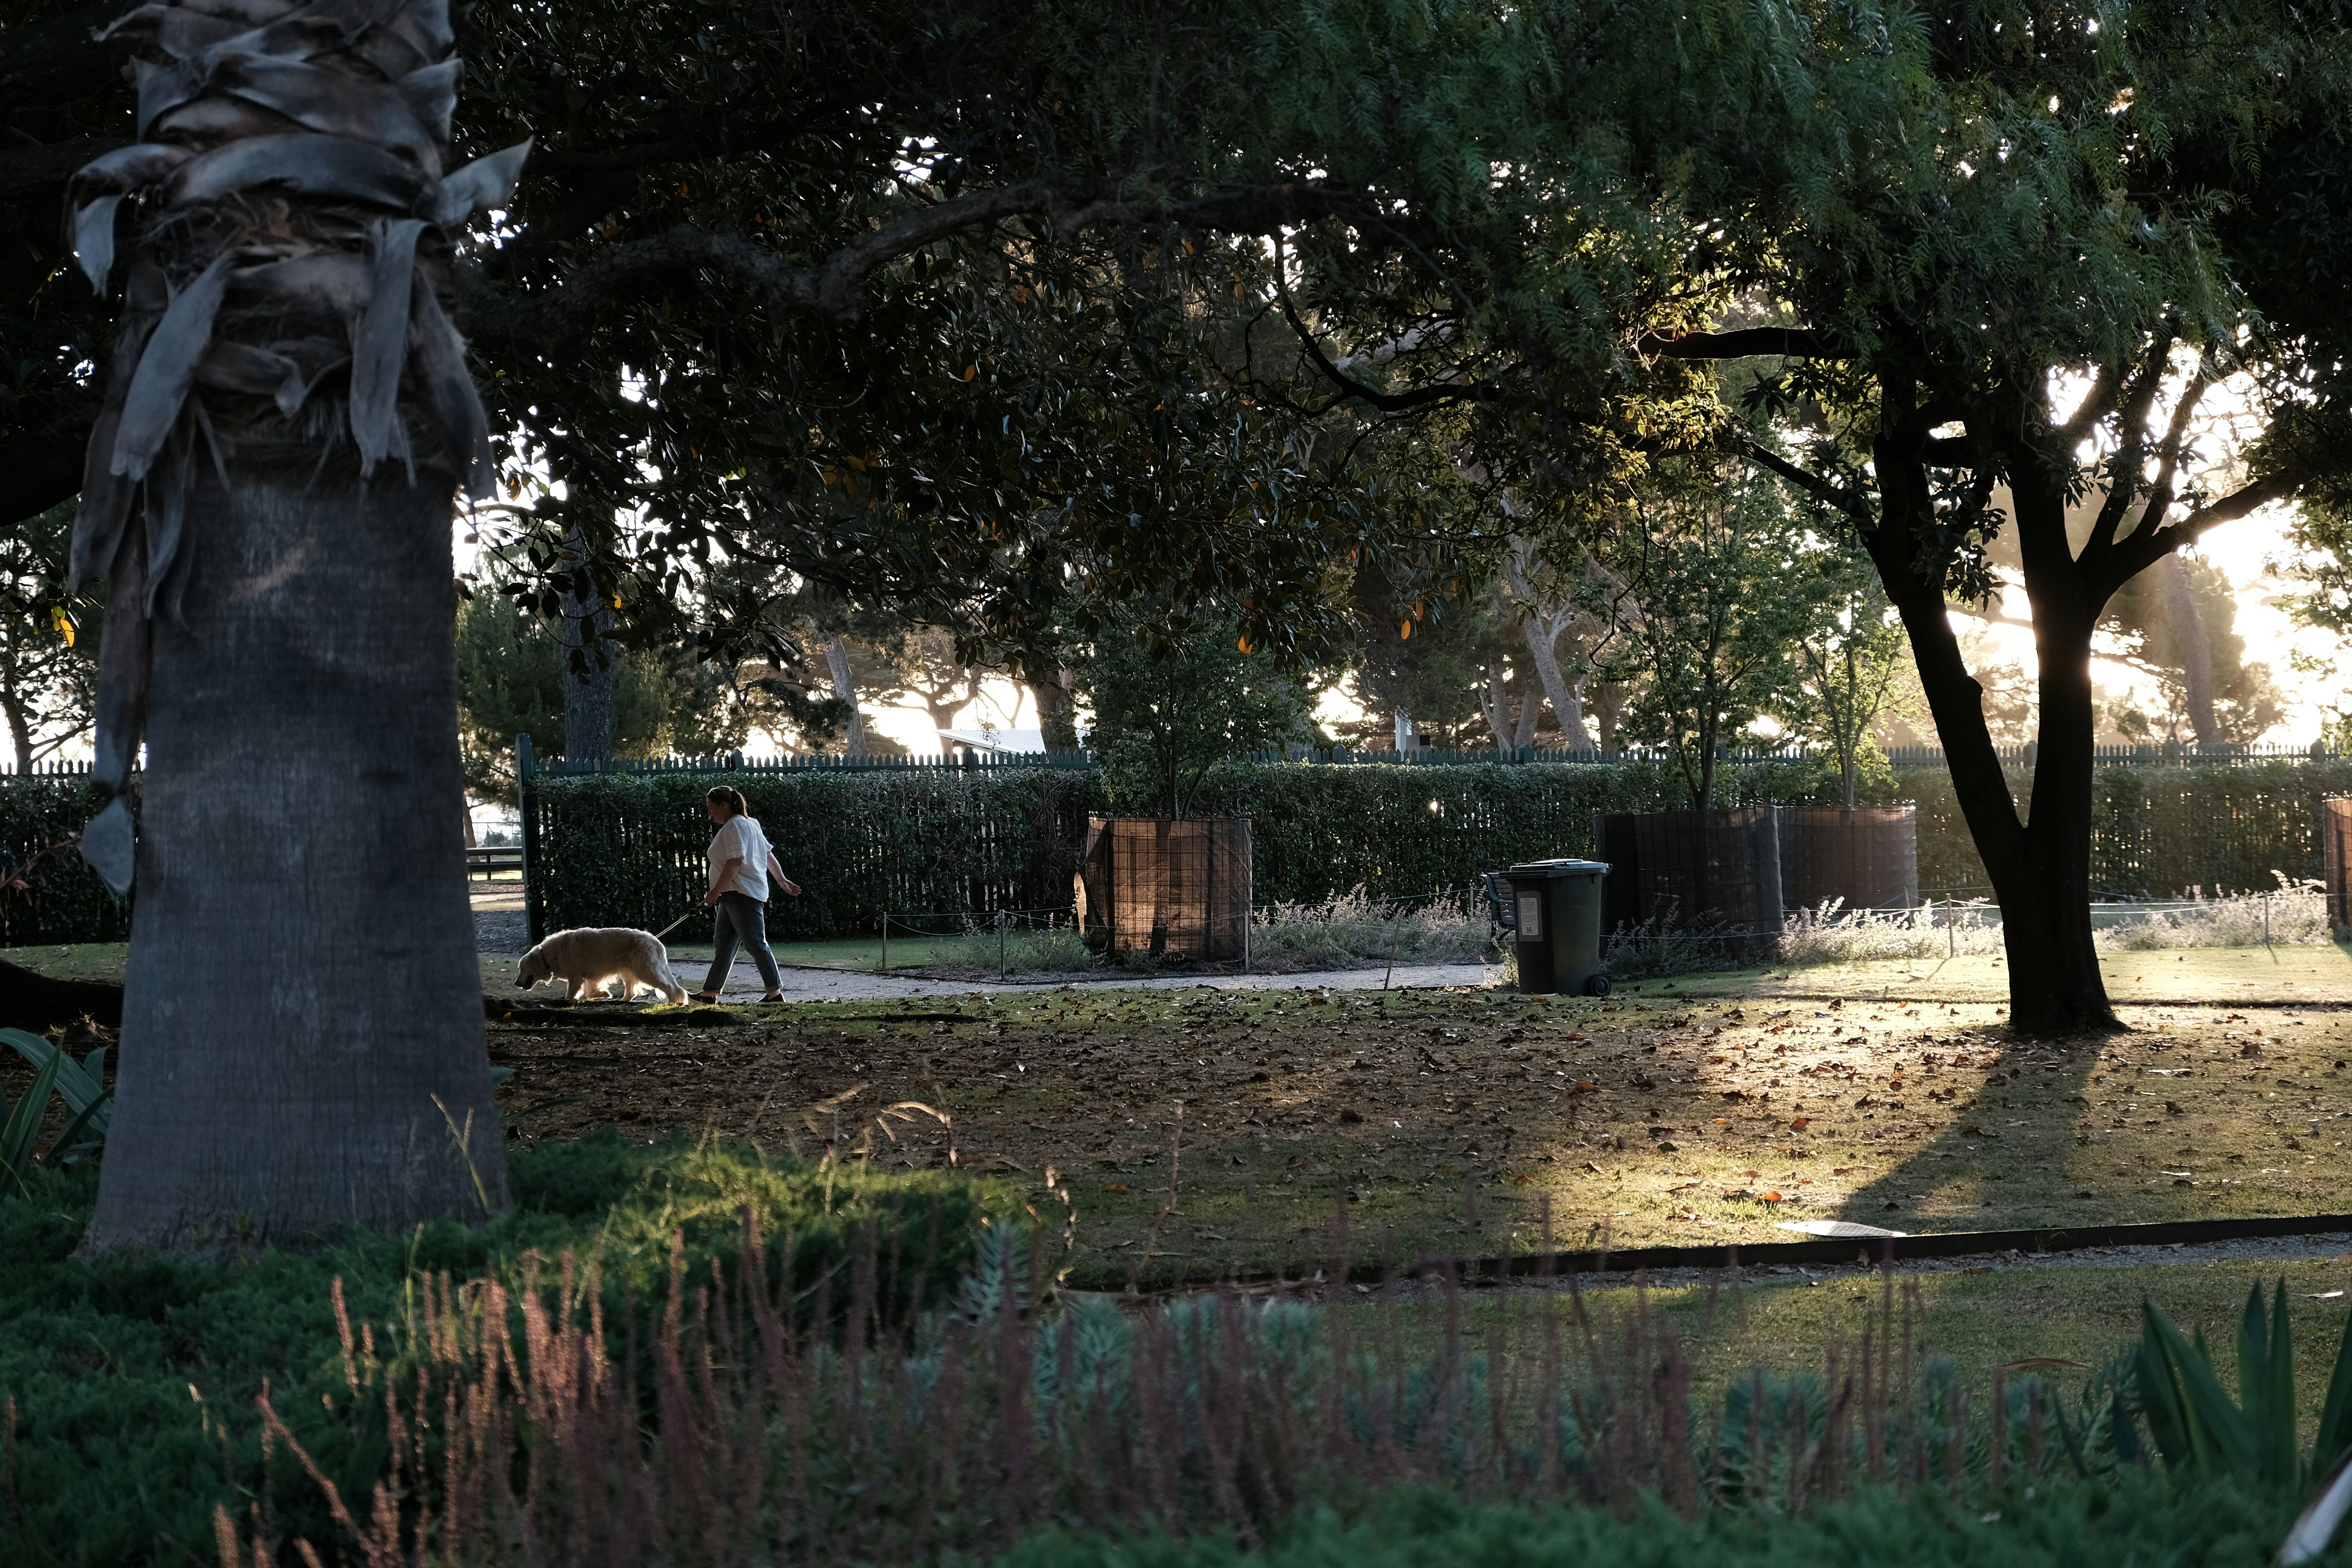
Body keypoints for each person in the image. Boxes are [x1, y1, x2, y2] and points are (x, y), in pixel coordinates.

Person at [694, 786, 799, 1002]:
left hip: (742, 893)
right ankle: (710, 993)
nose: (710, 813)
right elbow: (768, 854)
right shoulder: (751, 824)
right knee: (724, 944)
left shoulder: (735, 826)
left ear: (724, 805)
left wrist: (715, 891)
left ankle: (775, 993)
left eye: (712, 808)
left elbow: (737, 860)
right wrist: (781, 880)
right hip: (733, 894)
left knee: (755, 943)